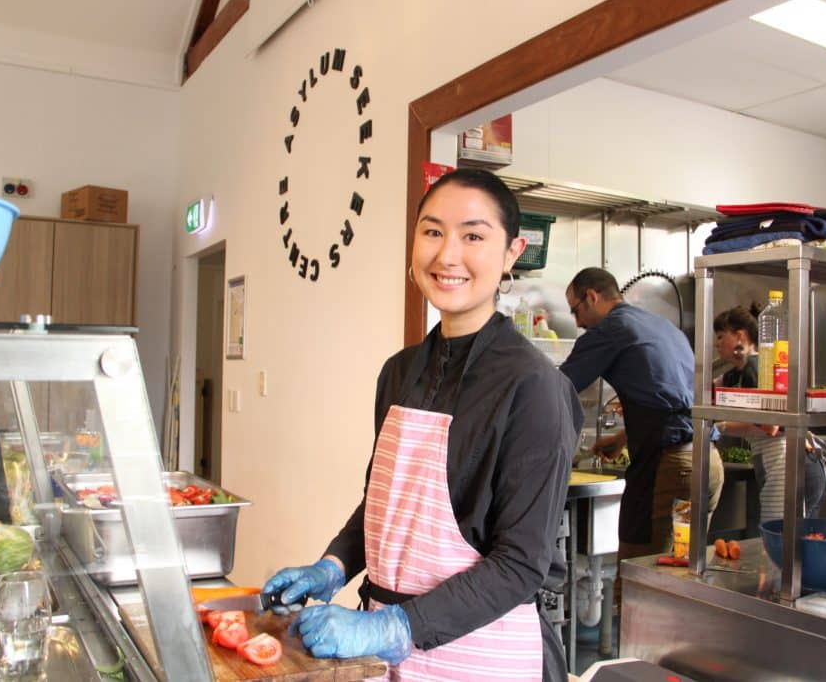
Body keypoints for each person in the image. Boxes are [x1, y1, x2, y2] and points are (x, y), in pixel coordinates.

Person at [263, 168, 582, 681]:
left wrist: (392, 629)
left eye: (473, 236)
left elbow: (522, 565)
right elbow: (386, 506)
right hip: (390, 658)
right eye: (432, 232)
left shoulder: (535, 388)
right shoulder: (399, 371)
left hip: (482, 656)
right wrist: (333, 566)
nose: (447, 255)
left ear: (511, 253)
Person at [558, 268, 724, 572]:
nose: (578, 322)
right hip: (707, 462)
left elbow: (556, 389)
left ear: (591, 297)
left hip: (672, 468)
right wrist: (622, 438)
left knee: (641, 577)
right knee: (681, 574)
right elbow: (672, 398)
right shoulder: (658, 324)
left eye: (575, 310)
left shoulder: (610, 329)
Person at [712, 306, 826, 522]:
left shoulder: (757, 367)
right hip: (786, 463)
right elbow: (705, 392)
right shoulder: (734, 375)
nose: (716, 343)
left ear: (740, 336)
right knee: (788, 542)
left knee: (781, 541)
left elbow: (770, 427)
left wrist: (721, 427)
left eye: (721, 336)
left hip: (787, 462)